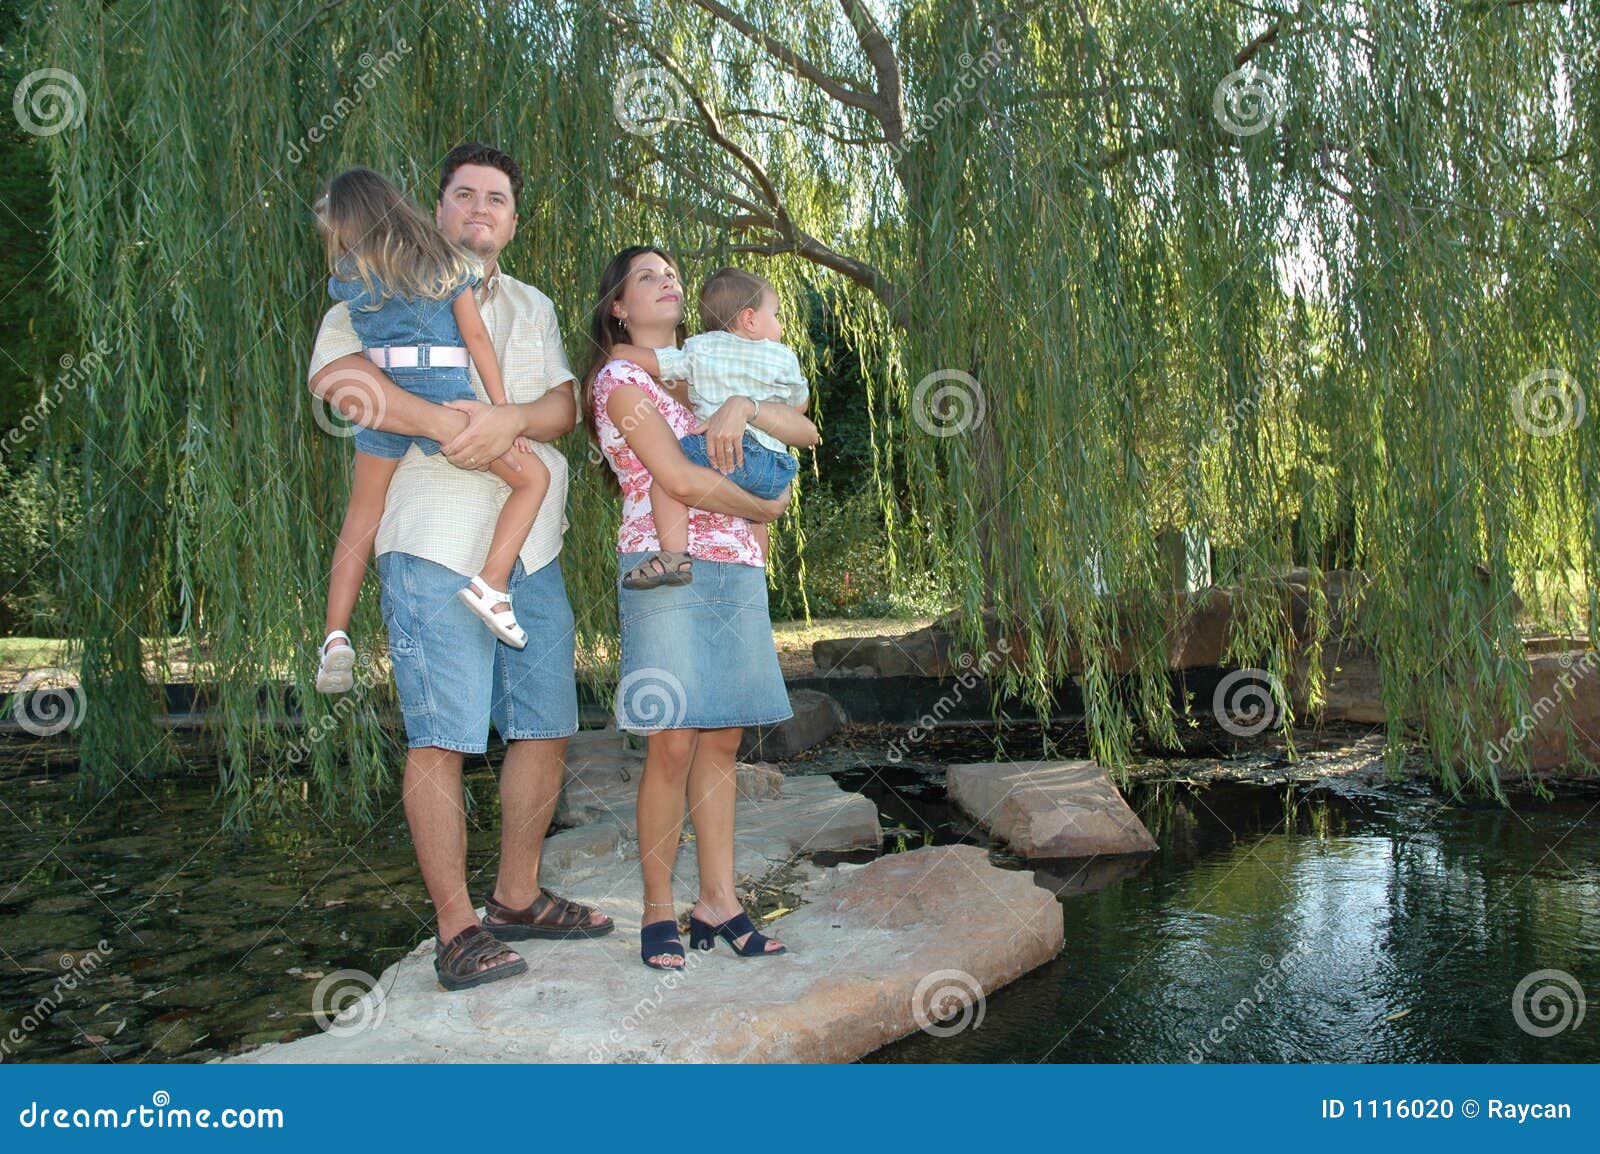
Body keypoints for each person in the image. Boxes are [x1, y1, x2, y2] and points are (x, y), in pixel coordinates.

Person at [307, 143, 611, 992]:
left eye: (498, 200)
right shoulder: (376, 279)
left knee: (545, 727)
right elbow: (336, 381)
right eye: (465, 195)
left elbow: (565, 404)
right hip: (434, 542)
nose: (481, 209)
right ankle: (456, 929)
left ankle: (516, 896)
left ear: (513, 221)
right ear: (432, 210)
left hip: (532, 547)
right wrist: (450, 425)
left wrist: (505, 416)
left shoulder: (532, 304)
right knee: (442, 735)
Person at [582, 245, 819, 969]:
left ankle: (720, 901)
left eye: (673, 275)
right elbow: (677, 479)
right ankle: (659, 908)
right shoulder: (618, 379)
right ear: (618, 306)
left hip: (738, 567)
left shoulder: (708, 363)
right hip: (667, 569)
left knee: (722, 741)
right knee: (673, 739)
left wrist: (746, 405)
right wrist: (767, 506)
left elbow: (796, 423)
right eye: (647, 278)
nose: (668, 284)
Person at [313, 166, 548, 692]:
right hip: (446, 395)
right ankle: (492, 585)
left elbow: (347, 366)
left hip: (388, 401)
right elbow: (478, 341)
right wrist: (502, 411)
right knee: (534, 481)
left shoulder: (350, 278)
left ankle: (334, 635)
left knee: (362, 514)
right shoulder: (447, 265)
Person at [609, 267, 807, 589]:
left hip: (730, 450)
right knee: (754, 517)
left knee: (666, 479)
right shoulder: (783, 357)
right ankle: (759, 569)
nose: (782, 324)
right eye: (777, 314)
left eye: (672, 273)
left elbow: (662, 363)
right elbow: (799, 408)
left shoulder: (701, 350)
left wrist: (620, 351)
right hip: (775, 465)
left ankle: (673, 556)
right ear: (750, 320)